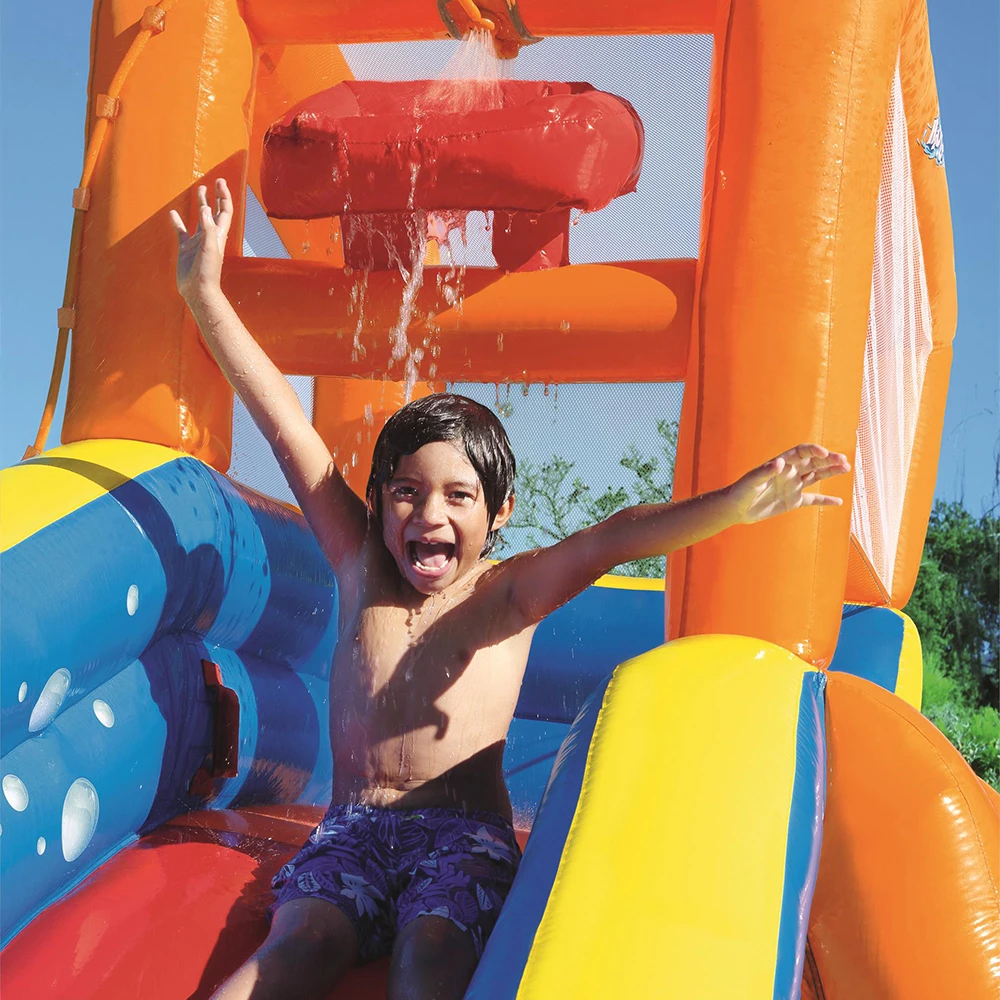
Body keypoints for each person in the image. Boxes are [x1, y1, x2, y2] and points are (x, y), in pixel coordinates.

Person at [171, 180, 850, 1000]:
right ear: (378, 498)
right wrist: (205, 295)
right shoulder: (359, 561)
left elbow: (614, 537)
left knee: (429, 954)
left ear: (499, 514)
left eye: (458, 497)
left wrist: (733, 505)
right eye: (407, 492)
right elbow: (286, 425)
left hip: (462, 837)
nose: (430, 514)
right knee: (299, 945)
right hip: (352, 831)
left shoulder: (506, 595)